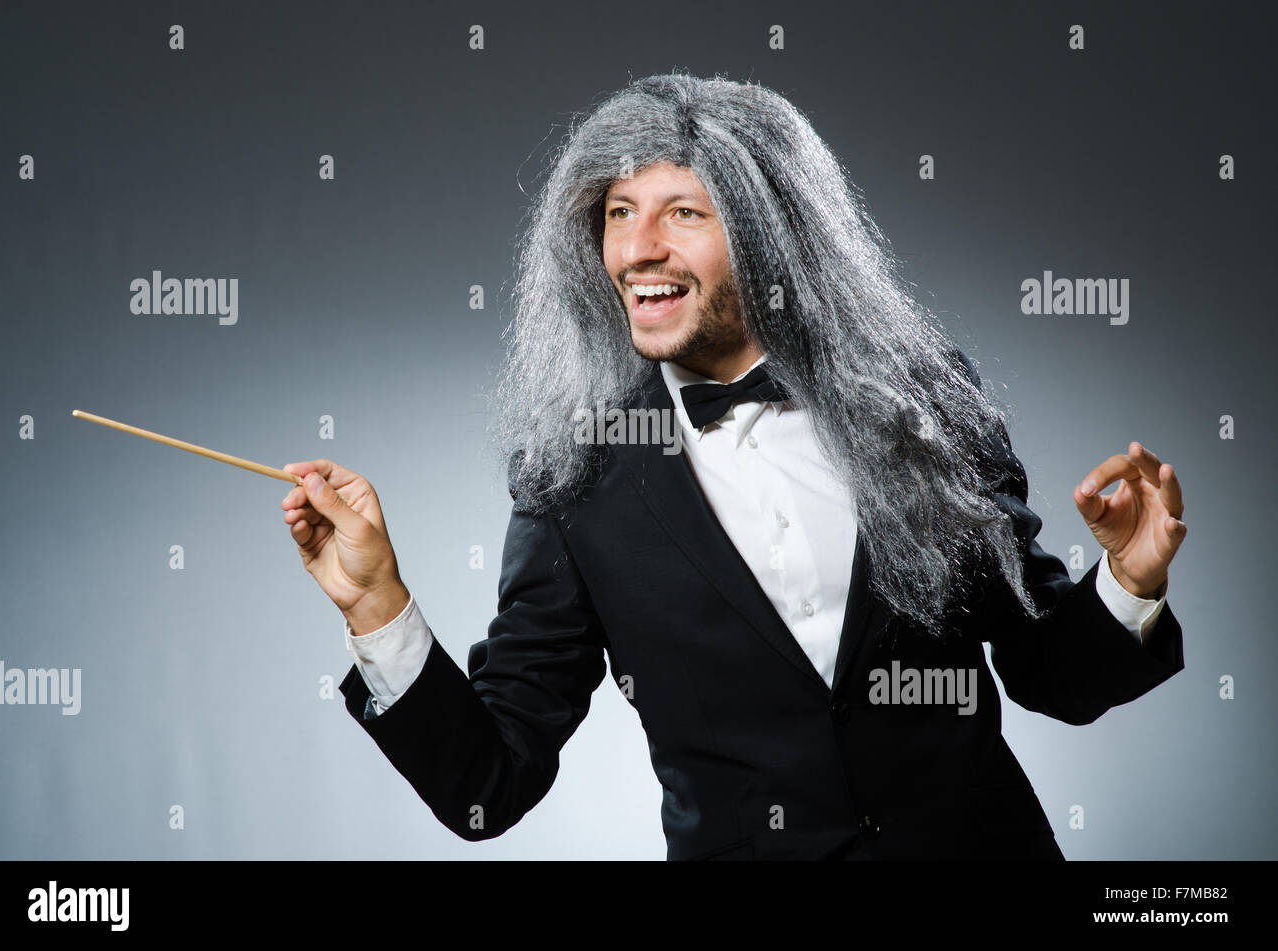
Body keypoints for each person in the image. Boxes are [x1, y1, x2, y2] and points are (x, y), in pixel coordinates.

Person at [279, 73, 1187, 860]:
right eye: (619, 215)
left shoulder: (926, 402)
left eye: (683, 213)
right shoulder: (576, 477)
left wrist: (1126, 582)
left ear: (770, 233)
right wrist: (377, 606)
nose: (638, 251)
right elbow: (490, 781)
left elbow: (1049, 673)